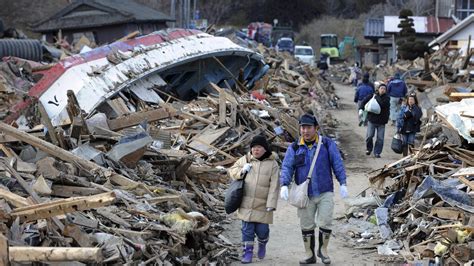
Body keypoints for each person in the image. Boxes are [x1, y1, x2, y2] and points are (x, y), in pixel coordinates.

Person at [279, 113, 348, 265]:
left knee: (325, 222)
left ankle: (323, 251)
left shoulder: (327, 144)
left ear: (316, 128)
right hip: (305, 194)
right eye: (303, 127)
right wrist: (284, 184)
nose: (306, 131)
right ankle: (309, 254)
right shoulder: (295, 147)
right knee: (307, 224)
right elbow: (287, 167)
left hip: (325, 191)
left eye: (309, 127)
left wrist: (342, 182)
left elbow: (337, 163)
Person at [228, 135, 280, 264]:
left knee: (262, 231)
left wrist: (271, 204)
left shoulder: (272, 164)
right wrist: (241, 171)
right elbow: (232, 170)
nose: (255, 150)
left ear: (265, 149)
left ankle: (262, 243)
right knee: (247, 230)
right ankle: (248, 252)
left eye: (259, 147)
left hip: (263, 205)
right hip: (246, 203)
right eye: (253, 148)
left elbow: (275, 185)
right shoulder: (245, 159)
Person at [359, 83, 390, 158]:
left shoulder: (387, 98)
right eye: (381, 88)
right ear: (378, 89)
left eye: (384, 89)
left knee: (380, 138)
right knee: (369, 136)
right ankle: (369, 149)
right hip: (372, 120)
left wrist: (376, 96)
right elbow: (364, 102)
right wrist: (361, 109)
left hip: (382, 122)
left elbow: (382, 104)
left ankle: (377, 152)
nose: (382, 90)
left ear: (386, 91)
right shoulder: (372, 96)